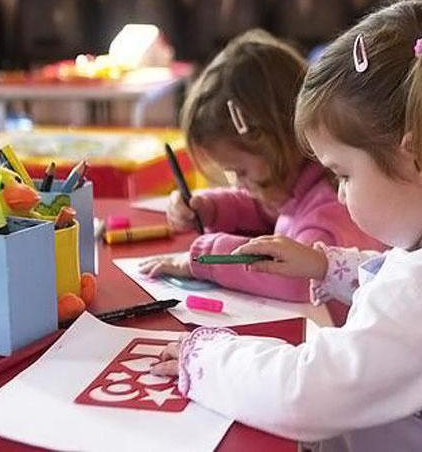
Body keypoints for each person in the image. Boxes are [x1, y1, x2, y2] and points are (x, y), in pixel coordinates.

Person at [151, 0, 422, 451]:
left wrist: (206, 359)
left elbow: (305, 396)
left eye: (344, 175)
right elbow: (400, 282)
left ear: (416, 158)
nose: (337, 192)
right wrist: (325, 265)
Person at [140, 29, 383, 306]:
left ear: (277, 143)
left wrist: (206, 257)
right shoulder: (296, 186)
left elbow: (298, 278)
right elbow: (266, 210)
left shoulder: (329, 208)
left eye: (241, 172)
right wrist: (210, 208)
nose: (236, 183)